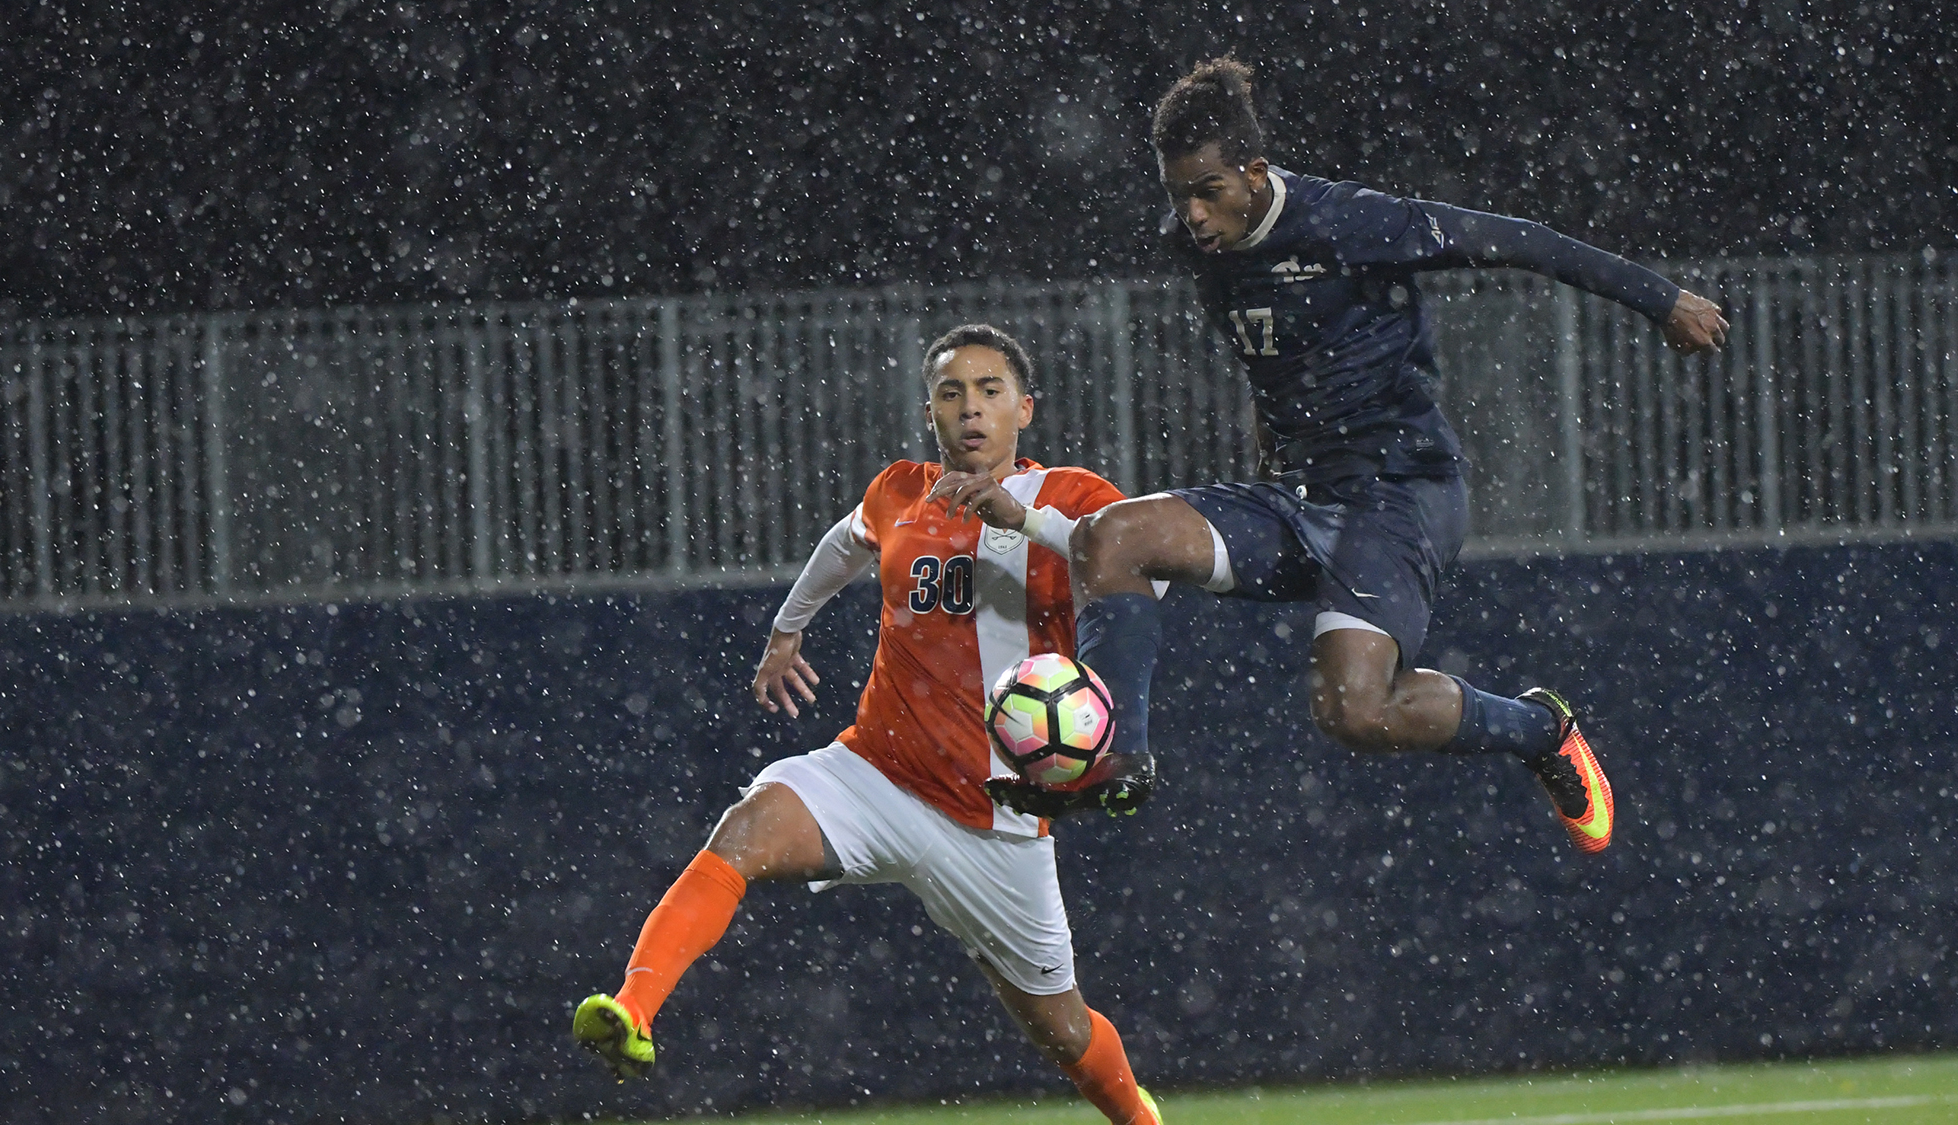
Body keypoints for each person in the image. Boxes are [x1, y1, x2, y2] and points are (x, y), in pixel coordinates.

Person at [987, 59, 1729, 855]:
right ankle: (1118, 759)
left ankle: (1541, 729)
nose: (1193, 214)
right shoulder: (1195, 245)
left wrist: (1663, 299)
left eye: (1209, 191)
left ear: (1256, 172)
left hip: (1399, 492)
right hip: (1301, 496)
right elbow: (1271, 340)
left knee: (1355, 713)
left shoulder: (1354, 222)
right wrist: (1272, 420)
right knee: (1112, 536)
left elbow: (1521, 241)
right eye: (1178, 195)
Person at [572, 324, 1163, 1125]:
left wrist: (1021, 521)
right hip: (874, 774)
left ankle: (1138, 1117)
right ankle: (635, 1010)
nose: (971, 408)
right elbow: (844, 541)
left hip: (997, 818)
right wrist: (790, 627)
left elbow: (1149, 576)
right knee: (742, 831)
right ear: (931, 412)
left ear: (1025, 408)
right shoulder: (899, 491)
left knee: (1059, 1029)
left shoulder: (1072, 498)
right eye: (952, 393)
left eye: (991, 391)